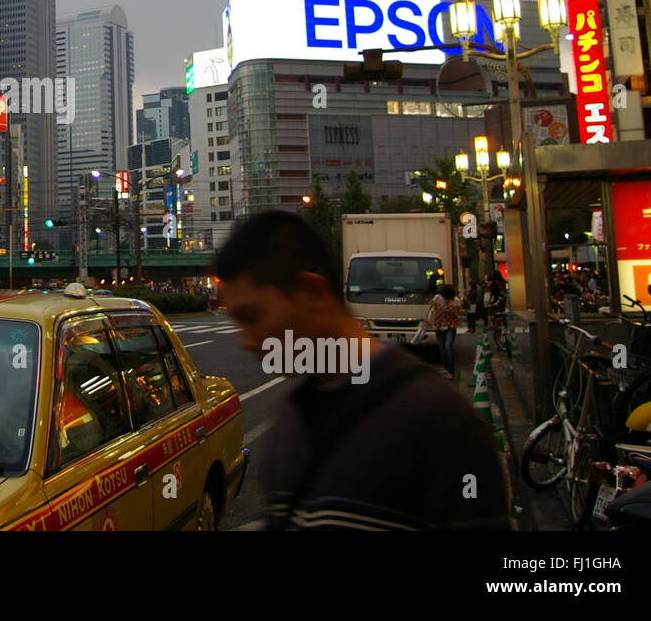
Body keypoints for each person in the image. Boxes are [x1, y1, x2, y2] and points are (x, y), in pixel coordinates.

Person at [216, 210, 508, 531]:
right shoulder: (289, 420)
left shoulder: (443, 422)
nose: (245, 341)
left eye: (253, 316)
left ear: (311, 293)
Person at [425, 284, 462, 379]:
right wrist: (426, 320)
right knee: (442, 350)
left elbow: (458, 313)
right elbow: (430, 309)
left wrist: (452, 308)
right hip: (439, 326)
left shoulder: (456, 301)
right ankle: (446, 369)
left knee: (448, 347)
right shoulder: (437, 298)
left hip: (450, 326)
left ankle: (450, 371)